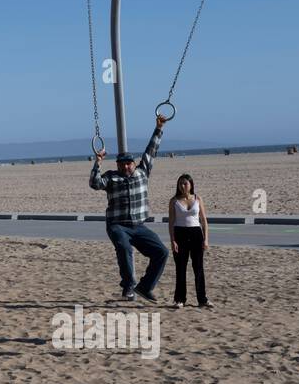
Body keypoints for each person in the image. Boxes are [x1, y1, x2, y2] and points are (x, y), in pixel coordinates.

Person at [90, 115, 170, 302]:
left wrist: (159, 128)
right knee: (124, 248)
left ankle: (145, 287)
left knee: (162, 252)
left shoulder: (142, 172)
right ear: (118, 165)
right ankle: (128, 286)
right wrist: (98, 162)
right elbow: (94, 183)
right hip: (117, 225)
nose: (126, 166)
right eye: (122, 164)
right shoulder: (111, 177)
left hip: (138, 226)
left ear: (134, 163)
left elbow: (152, 150)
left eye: (129, 163)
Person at [168, 174, 211, 308]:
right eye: (180, 184)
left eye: (185, 183)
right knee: (180, 268)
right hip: (180, 234)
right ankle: (180, 299)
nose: (182, 186)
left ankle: (202, 299)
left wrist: (206, 239)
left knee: (198, 268)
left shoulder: (198, 199)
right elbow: (171, 222)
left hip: (196, 234)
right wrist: (172, 240)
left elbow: (203, 220)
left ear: (191, 184)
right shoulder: (174, 201)